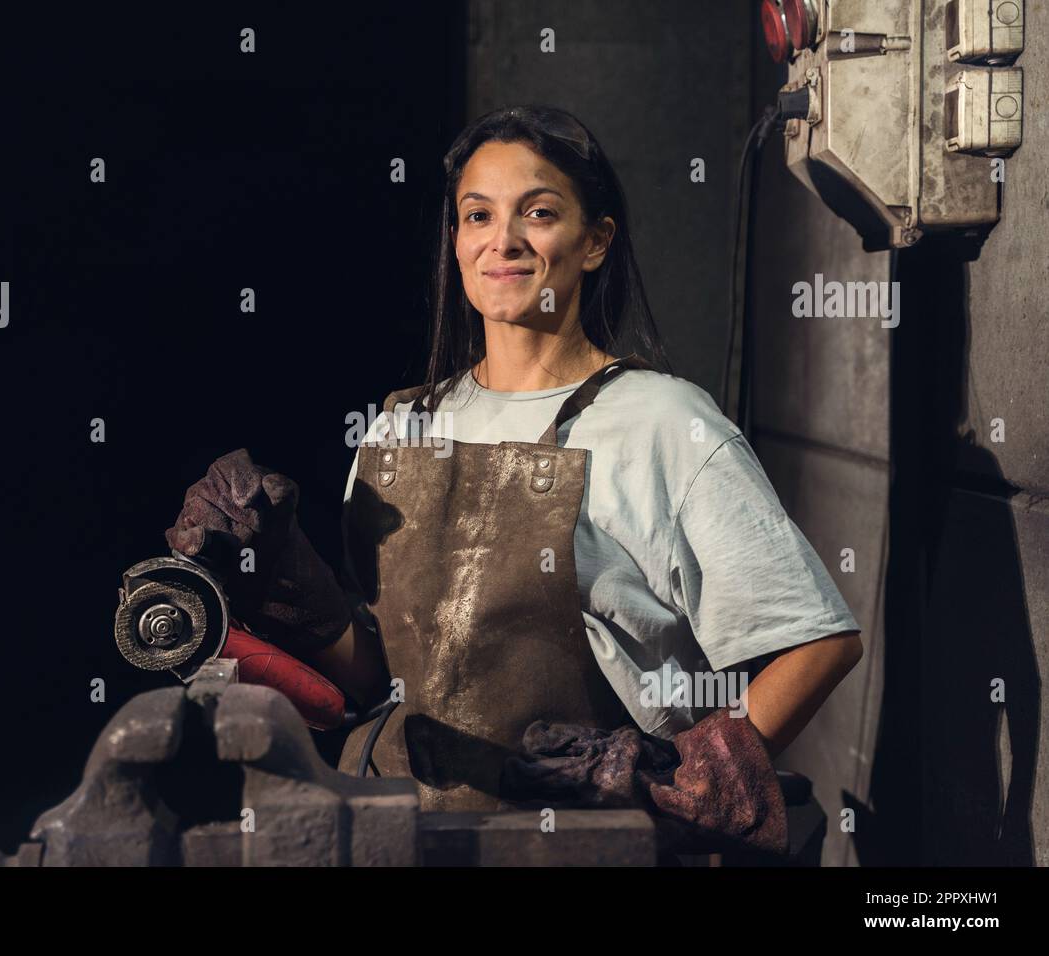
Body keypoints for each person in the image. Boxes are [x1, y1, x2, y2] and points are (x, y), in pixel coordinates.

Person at [169, 105, 862, 854]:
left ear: (595, 242)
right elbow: (382, 684)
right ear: (457, 239)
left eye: (538, 212)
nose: (503, 241)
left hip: (585, 853)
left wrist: (687, 781)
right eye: (477, 215)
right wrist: (283, 577)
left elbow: (819, 641)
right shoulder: (401, 428)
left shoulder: (662, 422)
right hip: (400, 836)